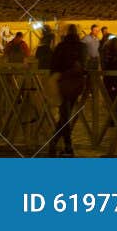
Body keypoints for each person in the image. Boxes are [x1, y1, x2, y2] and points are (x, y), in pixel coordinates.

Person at [48, 24, 87, 156]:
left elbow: (53, 65)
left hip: (63, 83)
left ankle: (62, 144)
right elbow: (84, 65)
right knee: (66, 116)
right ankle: (63, 144)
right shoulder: (82, 47)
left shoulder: (60, 47)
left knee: (65, 115)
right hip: (77, 83)